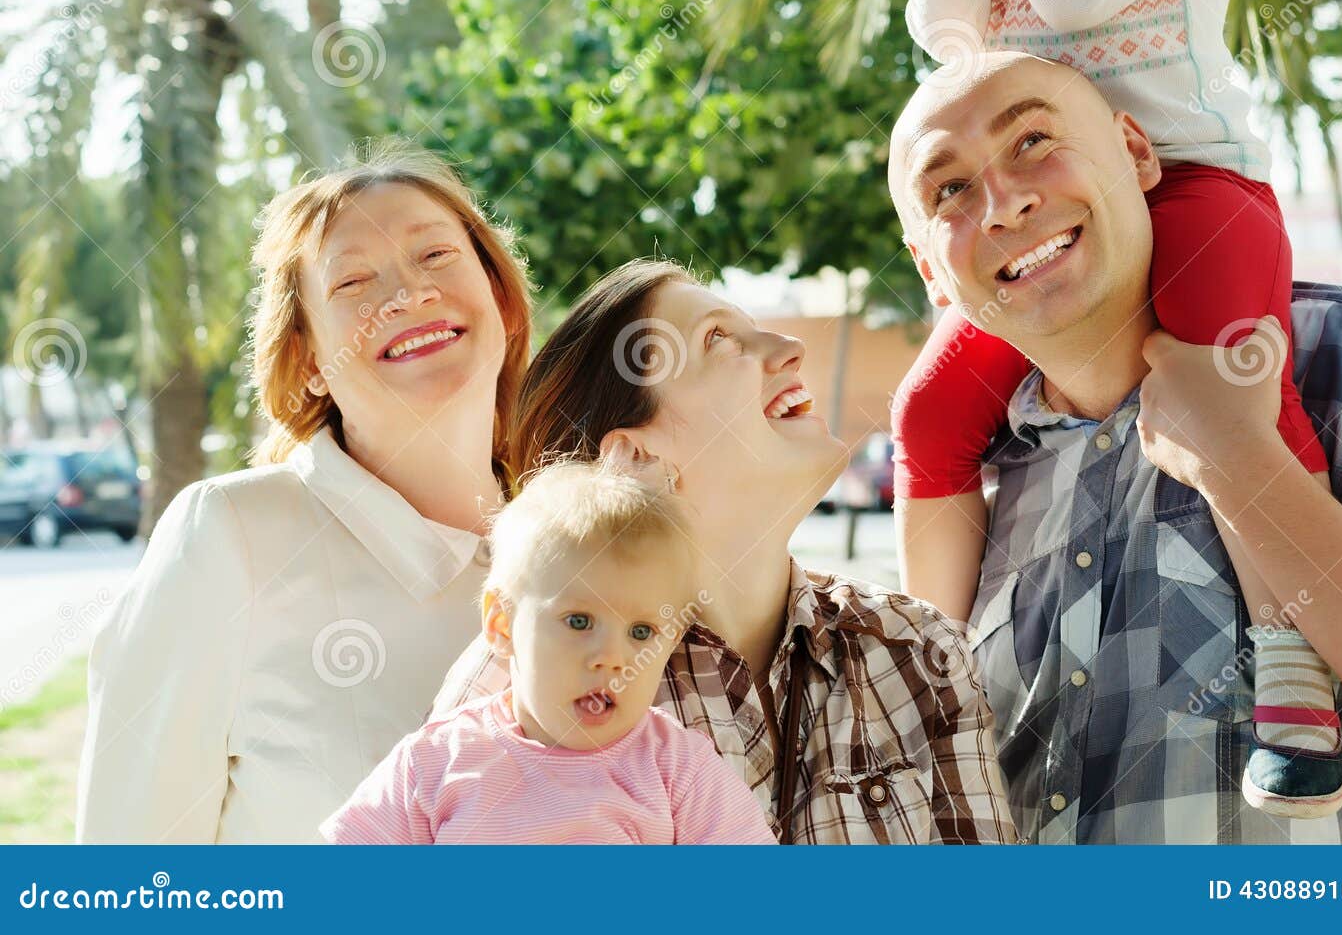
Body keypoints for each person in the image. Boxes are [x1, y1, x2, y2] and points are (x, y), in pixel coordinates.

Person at [896, 0, 1342, 817]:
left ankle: (1295, 673)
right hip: (1067, 217)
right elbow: (945, 27)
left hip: (1194, 191)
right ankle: (939, 693)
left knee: (1225, 396)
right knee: (931, 415)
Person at [887, 50, 1342, 842]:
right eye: (950, 188)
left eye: (1032, 139)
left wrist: (1240, 462)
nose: (1003, 201)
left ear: (1136, 153)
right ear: (930, 267)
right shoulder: (979, 476)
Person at [430, 259, 1015, 844]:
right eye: (719, 339)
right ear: (635, 460)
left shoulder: (918, 648)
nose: (790, 347)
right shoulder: (520, 681)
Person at [77, 142, 533, 842]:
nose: (409, 293)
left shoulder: (580, 543)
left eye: (436, 255)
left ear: (501, 301)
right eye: (352, 282)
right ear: (311, 362)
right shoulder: (231, 535)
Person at [324, 463, 774, 844]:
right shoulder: (437, 759)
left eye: (642, 631)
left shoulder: (676, 767)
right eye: (579, 621)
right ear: (502, 625)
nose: (613, 658)